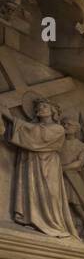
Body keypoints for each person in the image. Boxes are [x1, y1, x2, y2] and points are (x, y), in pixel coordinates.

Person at [3, 98, 77, 237]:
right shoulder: (32, 125)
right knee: (31, 188)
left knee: (50, 193)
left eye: (44, 106)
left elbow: (39, 134)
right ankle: (32, 220)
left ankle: (53, 223)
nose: (40, 109)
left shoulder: (58, 128)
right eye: (38, 107)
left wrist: (10, 117)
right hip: (32, 161)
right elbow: (28, 133)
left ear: (53, 111)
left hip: (48, 163)